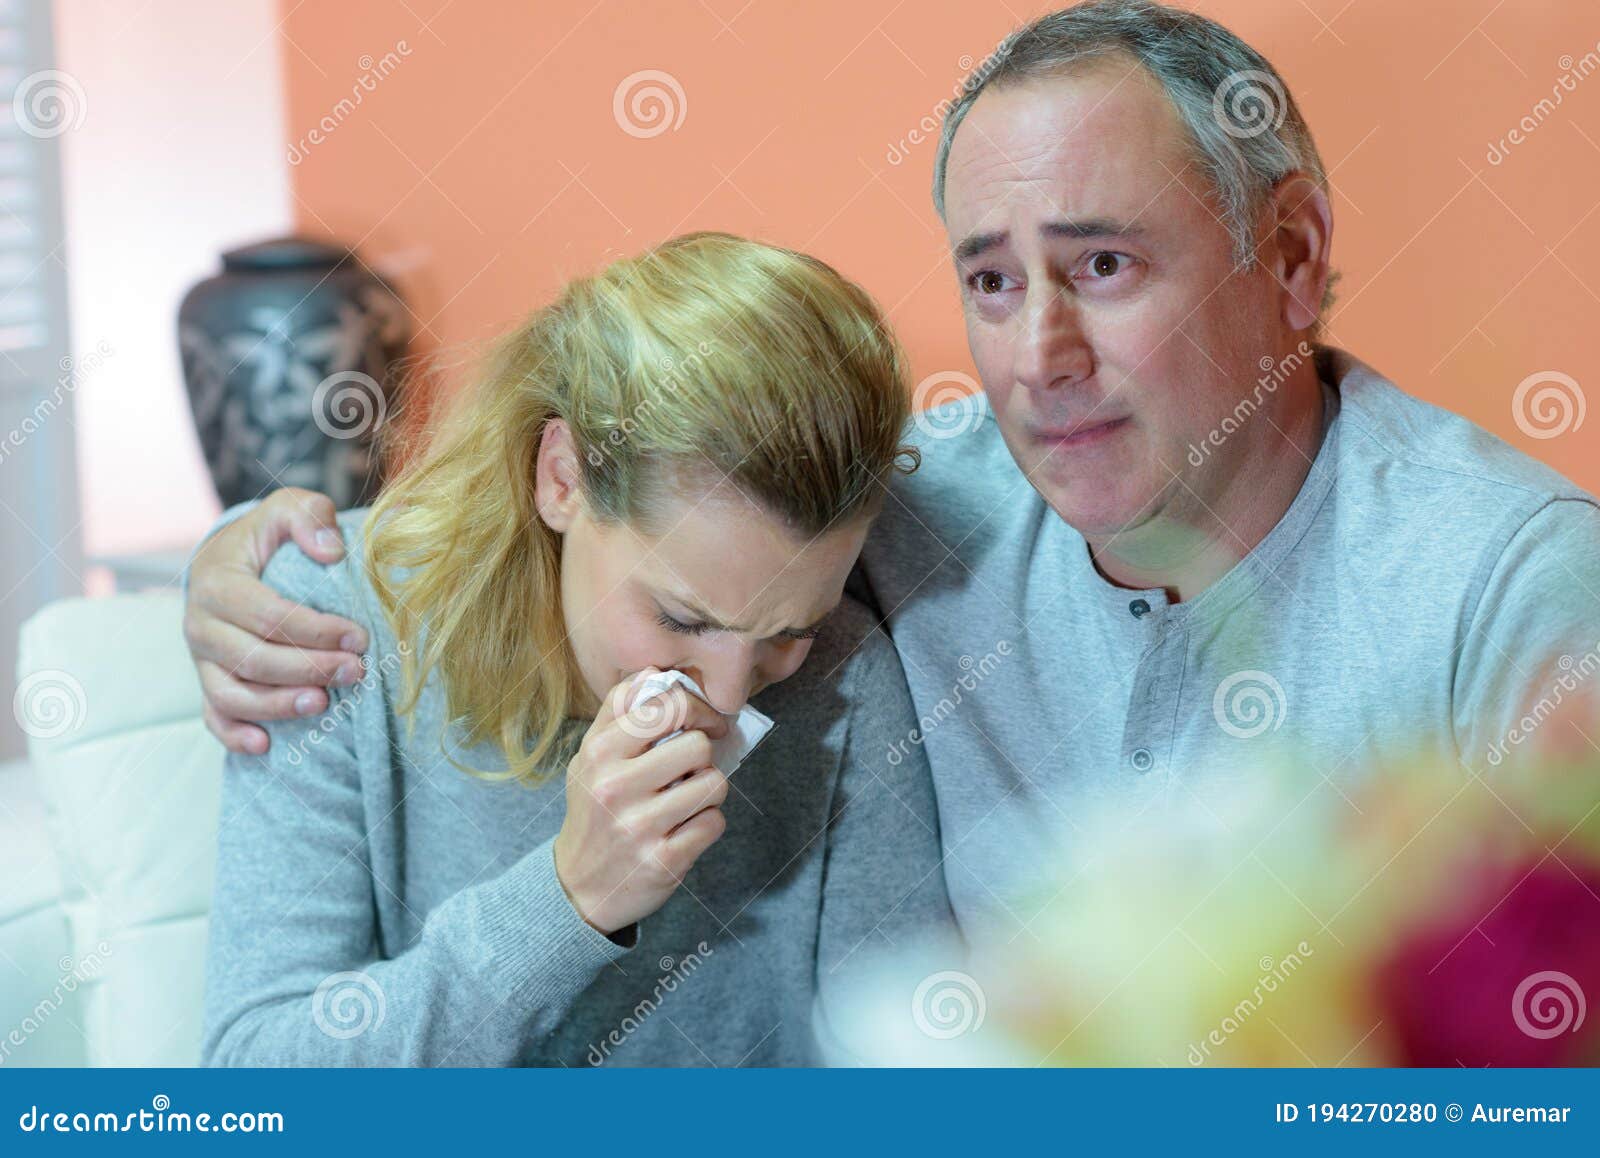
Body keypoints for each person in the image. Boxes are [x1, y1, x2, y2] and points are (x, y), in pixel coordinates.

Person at [186, 2, 1600, 945]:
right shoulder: (925, 508)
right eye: (992, 282)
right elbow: (647, 491)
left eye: (1105, 265)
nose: (1038, 356)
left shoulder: (1512, 588)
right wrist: (247, 555)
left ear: (1290, 256)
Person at [196, 231, 953, 1066]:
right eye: (682, 618)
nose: (729, 696)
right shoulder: (330, 631)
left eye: (787, 633)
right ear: (561, 479)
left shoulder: (849, 678)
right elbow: (252, 1080)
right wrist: (569, 902)